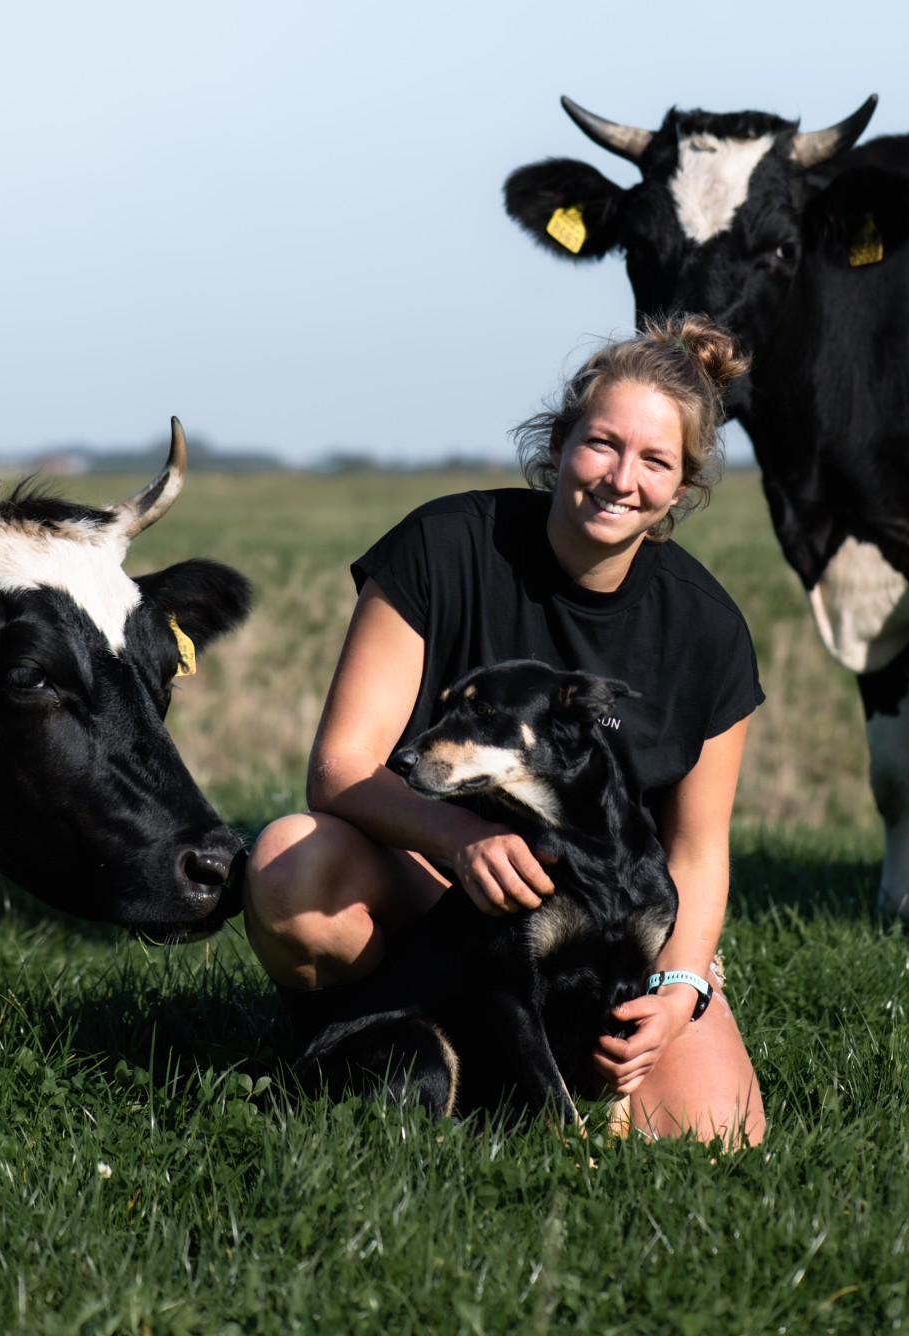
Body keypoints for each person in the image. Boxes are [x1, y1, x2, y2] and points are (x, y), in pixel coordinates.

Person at [243, 314, 767, 1145]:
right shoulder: (444, 546)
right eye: (601, 444)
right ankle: (372, 1050)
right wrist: (461, 840)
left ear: (682, 486)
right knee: (290, 870)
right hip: (436, 887)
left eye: (655, 461)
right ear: (560, 444)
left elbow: (699, 851)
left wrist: (679, 986)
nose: (620, 478)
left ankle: (500, 1070)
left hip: (610, 932)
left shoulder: (707, 631)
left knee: (719, 1134)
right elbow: (340, 768)